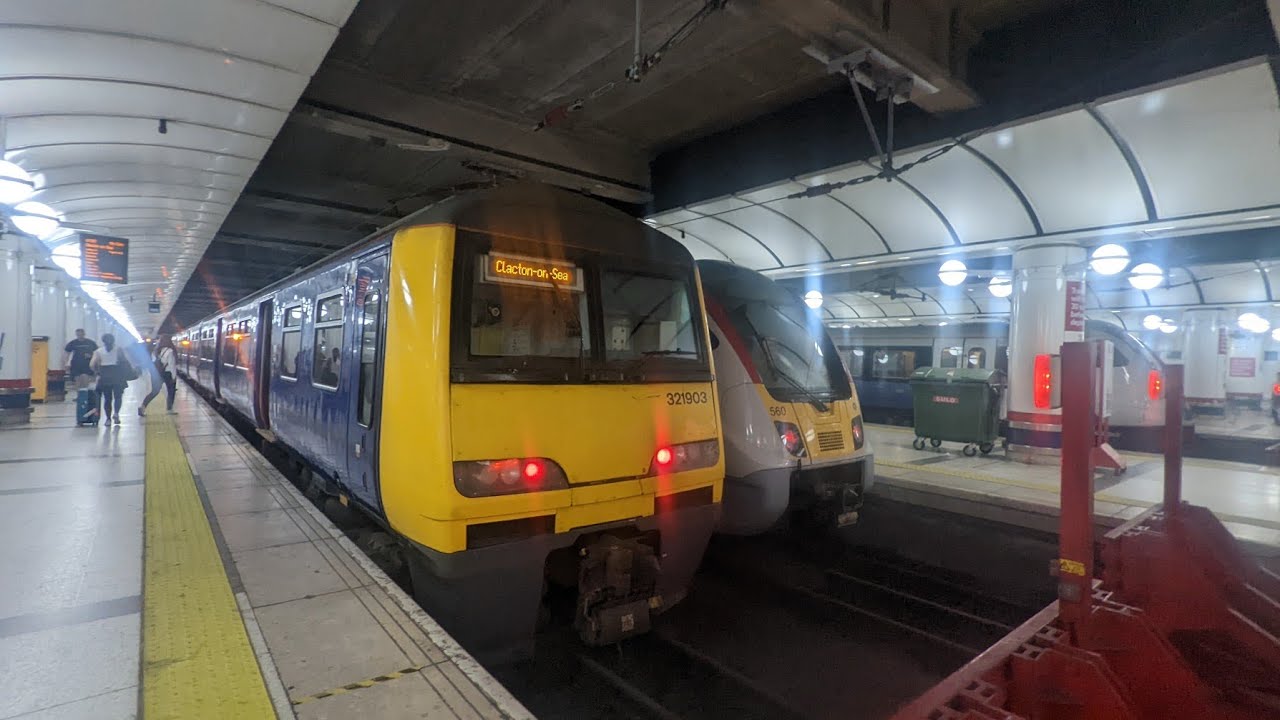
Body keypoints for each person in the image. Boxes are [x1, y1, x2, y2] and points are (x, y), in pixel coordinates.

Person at [90, 333, 130, 425]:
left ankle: (108, 419)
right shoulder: (119, 349)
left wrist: (97, 372)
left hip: (104, 375)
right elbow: (124, 361)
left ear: (103, 341)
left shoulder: (98, 351)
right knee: (118, 397)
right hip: (117, 374)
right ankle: (116, 414)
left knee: (107, 399)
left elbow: (92, 365)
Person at [139, 335, 177, 415]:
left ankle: (142, 406)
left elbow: (154, 362)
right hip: (167, 373)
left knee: (154, 391)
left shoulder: (156, 351)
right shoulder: (170, 351)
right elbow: (171, 365)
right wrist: (174, 377)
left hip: (157, 373)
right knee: (171, 391)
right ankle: (169, 410)